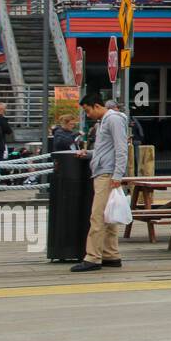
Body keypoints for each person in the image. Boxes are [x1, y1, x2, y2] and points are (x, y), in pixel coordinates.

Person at [72, 94, 127, 273]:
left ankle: (93, 257)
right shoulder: (104, 121)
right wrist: (88, 154)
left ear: (96, 106)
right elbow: (107, 149)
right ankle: (111, 254)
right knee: (108, 216)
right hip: (106, 172)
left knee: (97, 216)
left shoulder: (113, 120)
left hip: (107, 174)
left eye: (88, 110)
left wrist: (118, 175)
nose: (87, 115)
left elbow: (121, 148)